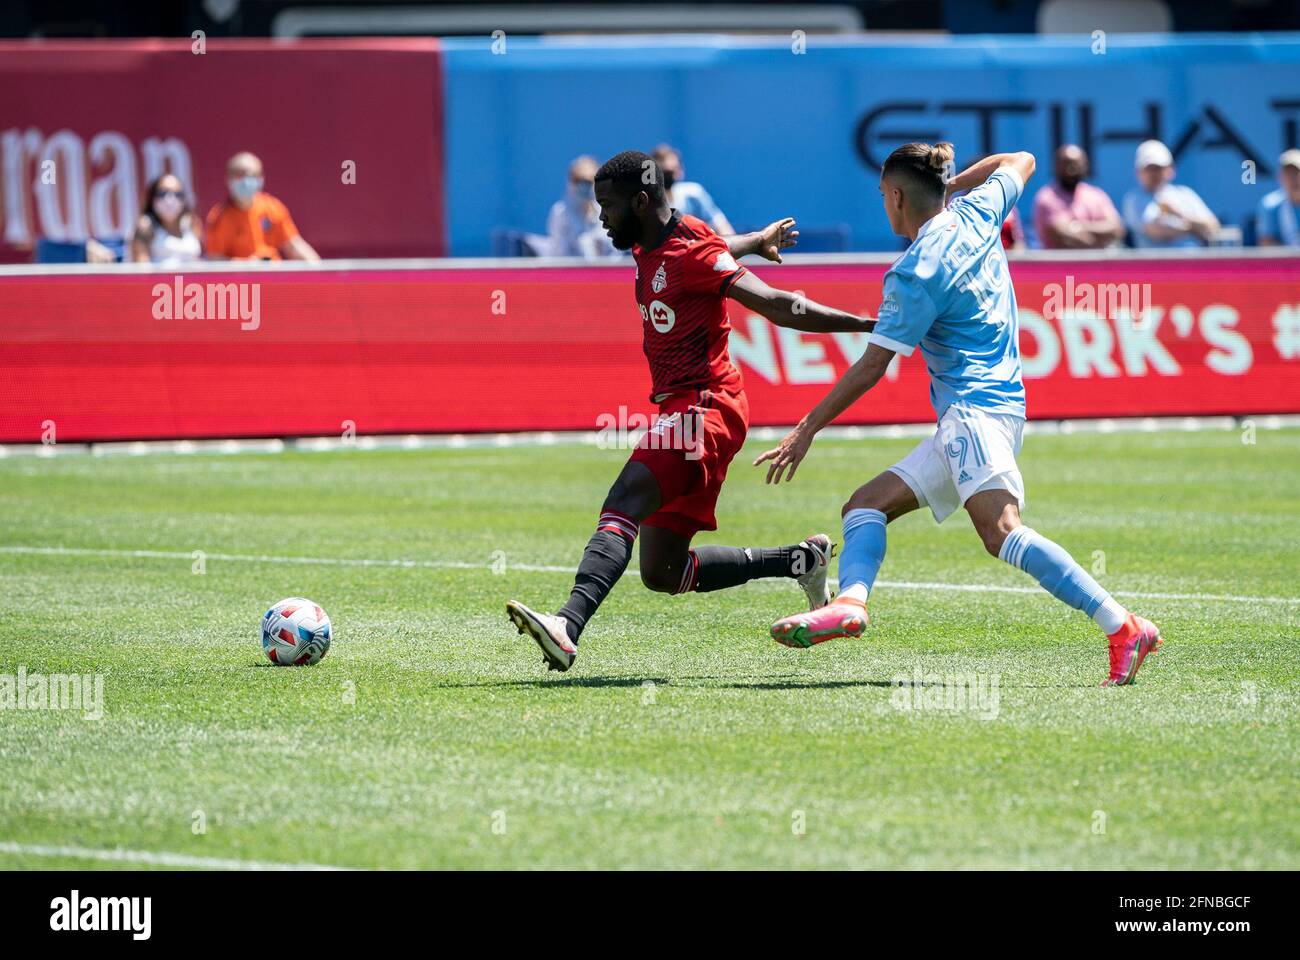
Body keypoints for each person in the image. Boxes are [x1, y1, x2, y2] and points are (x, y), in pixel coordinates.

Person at [757, 142, 1163, 688]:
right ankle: (851, 603)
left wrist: (805, 429)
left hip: (972, 413)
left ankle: (1124, 626)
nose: (883, 205)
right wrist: (954, 188)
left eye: (883, 196)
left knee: (1002, 533)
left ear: (897, 197)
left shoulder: (913, 271)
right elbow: (1019, 159)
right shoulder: (978, 210)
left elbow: (873, 367)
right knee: (864, 506)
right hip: (998, 408)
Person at [506, 150, 873, 672]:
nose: (601, 217)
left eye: (608, 206)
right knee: (663, 570)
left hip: (707, 406)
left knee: (624, 497)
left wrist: (862, 325)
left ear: (640, 201)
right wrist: (753, 241)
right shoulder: (652, 241)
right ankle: (802, 560)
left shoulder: (688, 249)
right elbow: (709, 252)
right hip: (686, 407)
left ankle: (567, 624)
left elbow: (772, 302)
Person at [206, 152, 319, 261]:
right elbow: (215, 259)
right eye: (240, 175)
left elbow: (293, 245)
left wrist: (319, 269)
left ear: (261, 178)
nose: (246, 181)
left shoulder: (272, 207)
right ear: (229, 179)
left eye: (253, 175)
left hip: (273, 275)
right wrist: (246, 265)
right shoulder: (218, 217)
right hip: (241, 279)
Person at [1121, 140, 1219, 248]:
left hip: (1195, 262)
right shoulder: (1134, 199)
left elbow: (1213, 227)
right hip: (1157, 264)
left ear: (1171, 169)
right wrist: (1195, 230)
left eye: (1158, 168)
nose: (1154, 173)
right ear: (1138, 172)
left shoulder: (1185, 194)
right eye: (1149, 169)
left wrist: (1178, 213)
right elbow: (1156, 232)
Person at [1032, 144, 1125, 249]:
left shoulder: (1096, 195)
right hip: (1059, 264)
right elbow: (1062, 236)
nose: (1071, 170)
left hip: (1096, 265)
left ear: (1085, 165)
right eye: (1066, 164)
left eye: (1076, 164)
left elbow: (1117, 229)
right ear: (1056, 166)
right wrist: (1099, 239)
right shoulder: (1046, 197)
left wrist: (1078, 226)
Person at [652, 144, 734, 234]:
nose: (667, 169)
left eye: (671, 171)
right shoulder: (648, 203)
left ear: (680, 171)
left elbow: (722, 227)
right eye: (664, 171)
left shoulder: (693, 193)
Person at [545, 155, 617, 257]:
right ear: (571, 183)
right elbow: (558, 256)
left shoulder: (607, 211)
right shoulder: (560, 213)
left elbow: (615, 255)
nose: (585, 187)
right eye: (580, 181)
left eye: (590, 181)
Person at [130, 174, 203, 265]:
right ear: (152, 198)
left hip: (191, 279)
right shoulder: (145, 227)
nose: (170, 200)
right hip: (160, 279)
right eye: (162, 193)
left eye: (177, 194)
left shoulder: (192, 223)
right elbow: (141, 270)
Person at [1255, 148, 1300, 247]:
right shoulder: (1269, 204)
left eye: (1296, 172)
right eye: (1288, 173)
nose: (1293, 178)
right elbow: (1267, 244)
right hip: (1284, 262)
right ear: (1280, 176)